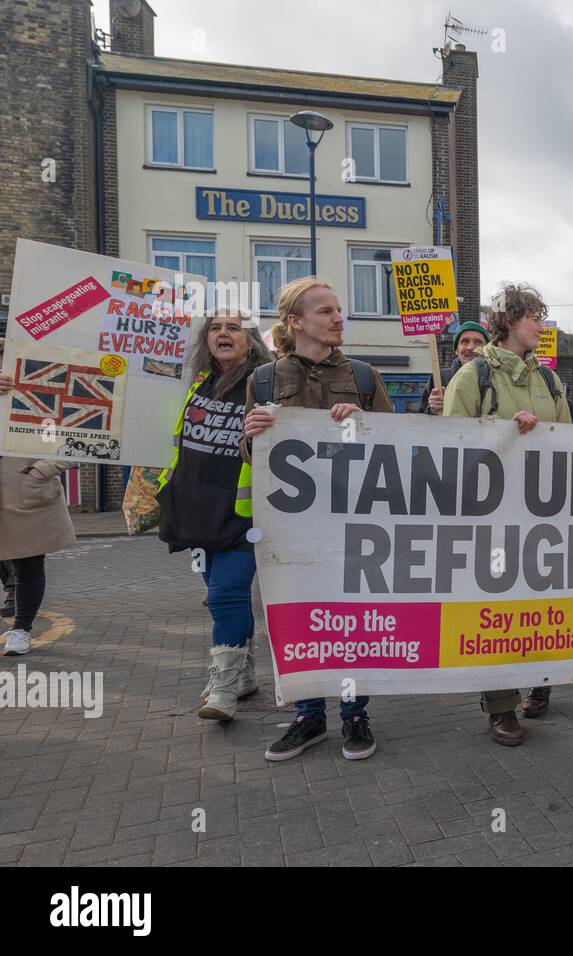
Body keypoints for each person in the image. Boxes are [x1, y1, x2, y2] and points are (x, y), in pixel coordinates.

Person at [242, 277, 394, 761]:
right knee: (297, 618)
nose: (337, 318)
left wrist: (364, 424)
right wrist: (252, 434)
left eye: (338, 309)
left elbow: (398, 446)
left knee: (353, 619)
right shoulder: (263, 380)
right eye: (325, 311)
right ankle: (308, 715)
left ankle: (355, 715)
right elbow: (251, 456)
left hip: (353, 522)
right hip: (291, 529)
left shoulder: (365, 376)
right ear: (295, 322)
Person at [444, 283, 573, 746]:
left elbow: (569, 442)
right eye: (533, 316)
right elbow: (454, 447)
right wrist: (504, 432)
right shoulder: (473, 376)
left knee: (542, 601)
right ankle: (500, 706)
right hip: (493, 516)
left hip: (542, 515)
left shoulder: (550, 380)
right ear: (509, 322)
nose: (540, 324)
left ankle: (540, 682)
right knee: (496, 608)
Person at [157, 311, 272, 720]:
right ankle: (244, 678)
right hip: (194, 510)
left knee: (225, 595)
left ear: (251, 339)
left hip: (244, 513)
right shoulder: (196, 383)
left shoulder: (266, 382)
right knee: (223, 599)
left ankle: (221, 691)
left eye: (233, 327)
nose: (223, 334)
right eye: (215, 328)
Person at [0, 338, 77, 655]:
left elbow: (79, 439)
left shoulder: (47, 387)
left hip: (24, 490)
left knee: (28, 563)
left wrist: (42, 469)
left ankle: (21, 628)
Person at [417, 319, 489, 415]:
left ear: (487, 349)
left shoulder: (497, 379)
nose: (471, 347)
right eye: (465, 341)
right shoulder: (440, 378)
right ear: (456, 350)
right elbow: (421, 422)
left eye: (477, 342)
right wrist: (432, 410)